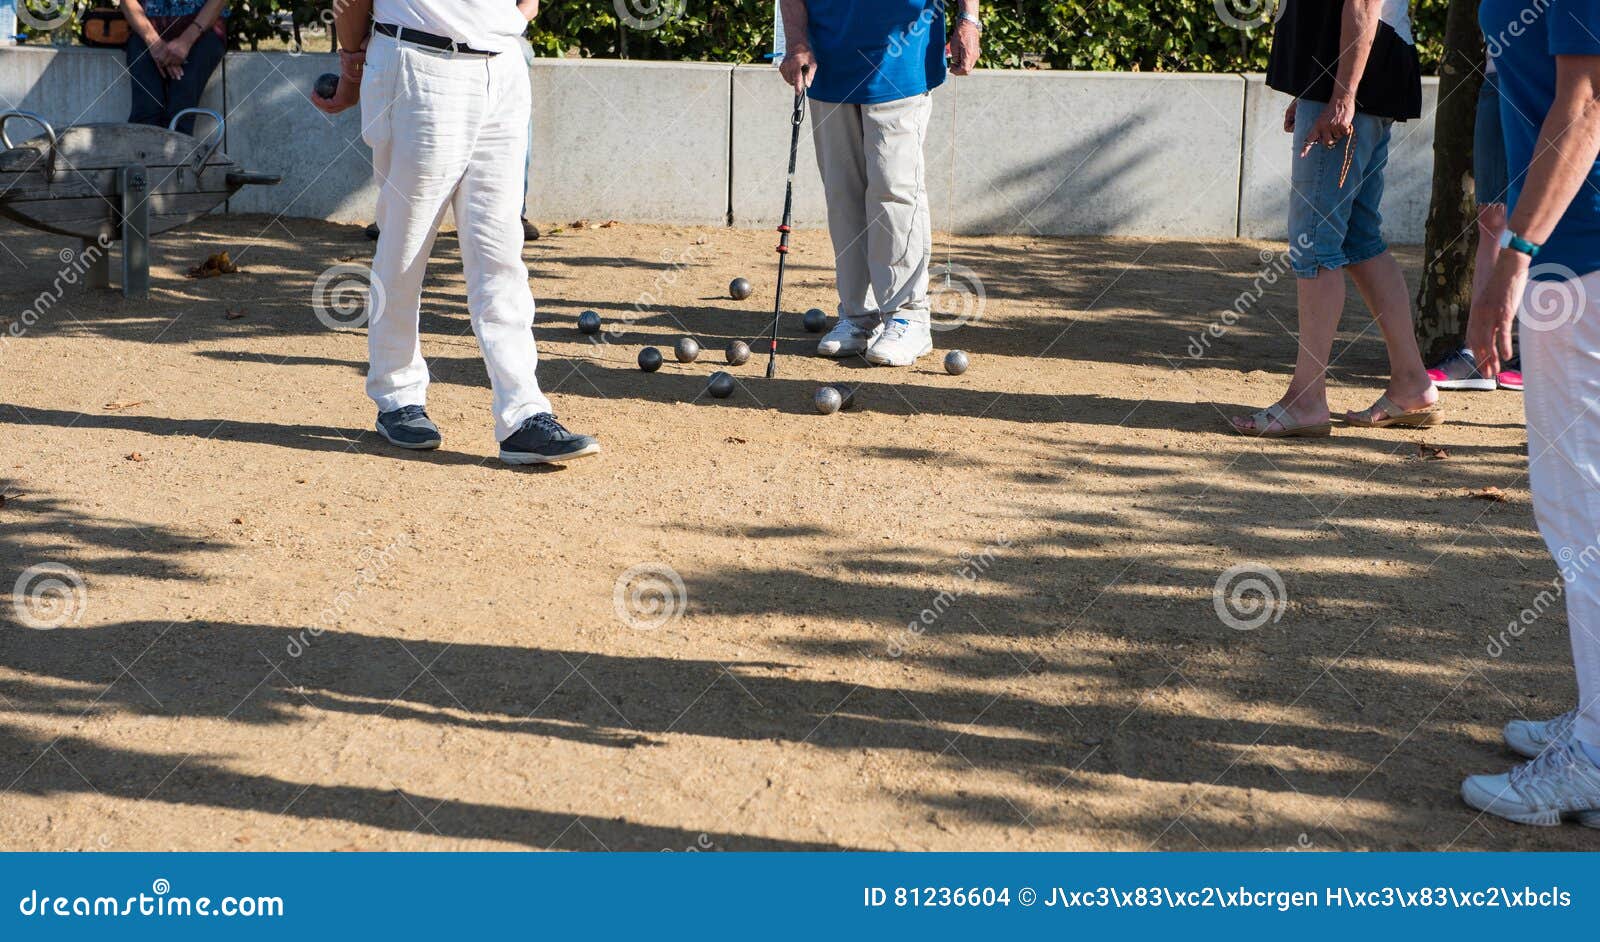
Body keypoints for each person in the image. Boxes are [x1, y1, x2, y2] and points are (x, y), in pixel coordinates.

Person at [314, 0, 600, 465]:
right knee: (405, 244)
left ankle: (523, 413)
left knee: (501, 250)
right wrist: (353, 66)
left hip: (502, 66)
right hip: (418, 67)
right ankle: (397, 395)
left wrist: (506, 22)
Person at [1460, 0, 1600, 827]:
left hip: (1579, 256)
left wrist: (1517, 255)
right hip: (1573, 249)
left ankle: (1595, 749)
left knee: (1579, 505)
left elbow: (1585, 104)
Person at [1230, 0, 1438, 437]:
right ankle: (1412, 384)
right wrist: (1314, 92)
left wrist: (1340, 94)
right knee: (1358, 239)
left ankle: (1307, 400)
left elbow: (1362, 4)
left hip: (1351, 85)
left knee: (1315, 241)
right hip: (1359, 79)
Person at [778, 0, 981, 367]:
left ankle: (909, 315)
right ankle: (858, 314)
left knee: (894, 188)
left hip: (903, 55)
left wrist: (969, 20)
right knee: (843, 193)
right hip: (829, 57)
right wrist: (795, 42)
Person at [1426, 54, 1524, 393]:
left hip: (1547, 78)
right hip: (1497, 76)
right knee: (1492, 217)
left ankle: (1532, 353)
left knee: (1543, 214)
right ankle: (1478, 355)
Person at [121, 0, 227, 136]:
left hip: (203, 31)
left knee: (181, 109)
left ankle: (178, 155)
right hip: (145, 31)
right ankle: (144, 154)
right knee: (145, 112)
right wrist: (155, 44)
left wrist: (186, 41)